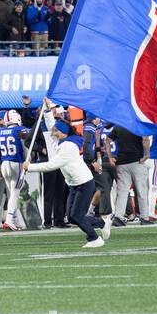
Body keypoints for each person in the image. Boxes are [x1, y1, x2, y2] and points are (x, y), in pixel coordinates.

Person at [21, 102, 110, 249]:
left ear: (62, 132)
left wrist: (29, 167)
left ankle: (94, 238)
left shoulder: (67, 147)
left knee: (77, 216)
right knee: (72, 217)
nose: (53, 133)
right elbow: (51, 125)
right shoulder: (61, 138)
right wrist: (48, 109)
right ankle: (102, 222)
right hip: (75, 184)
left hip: (84, 183)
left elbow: (52, 165)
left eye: (55, 131)